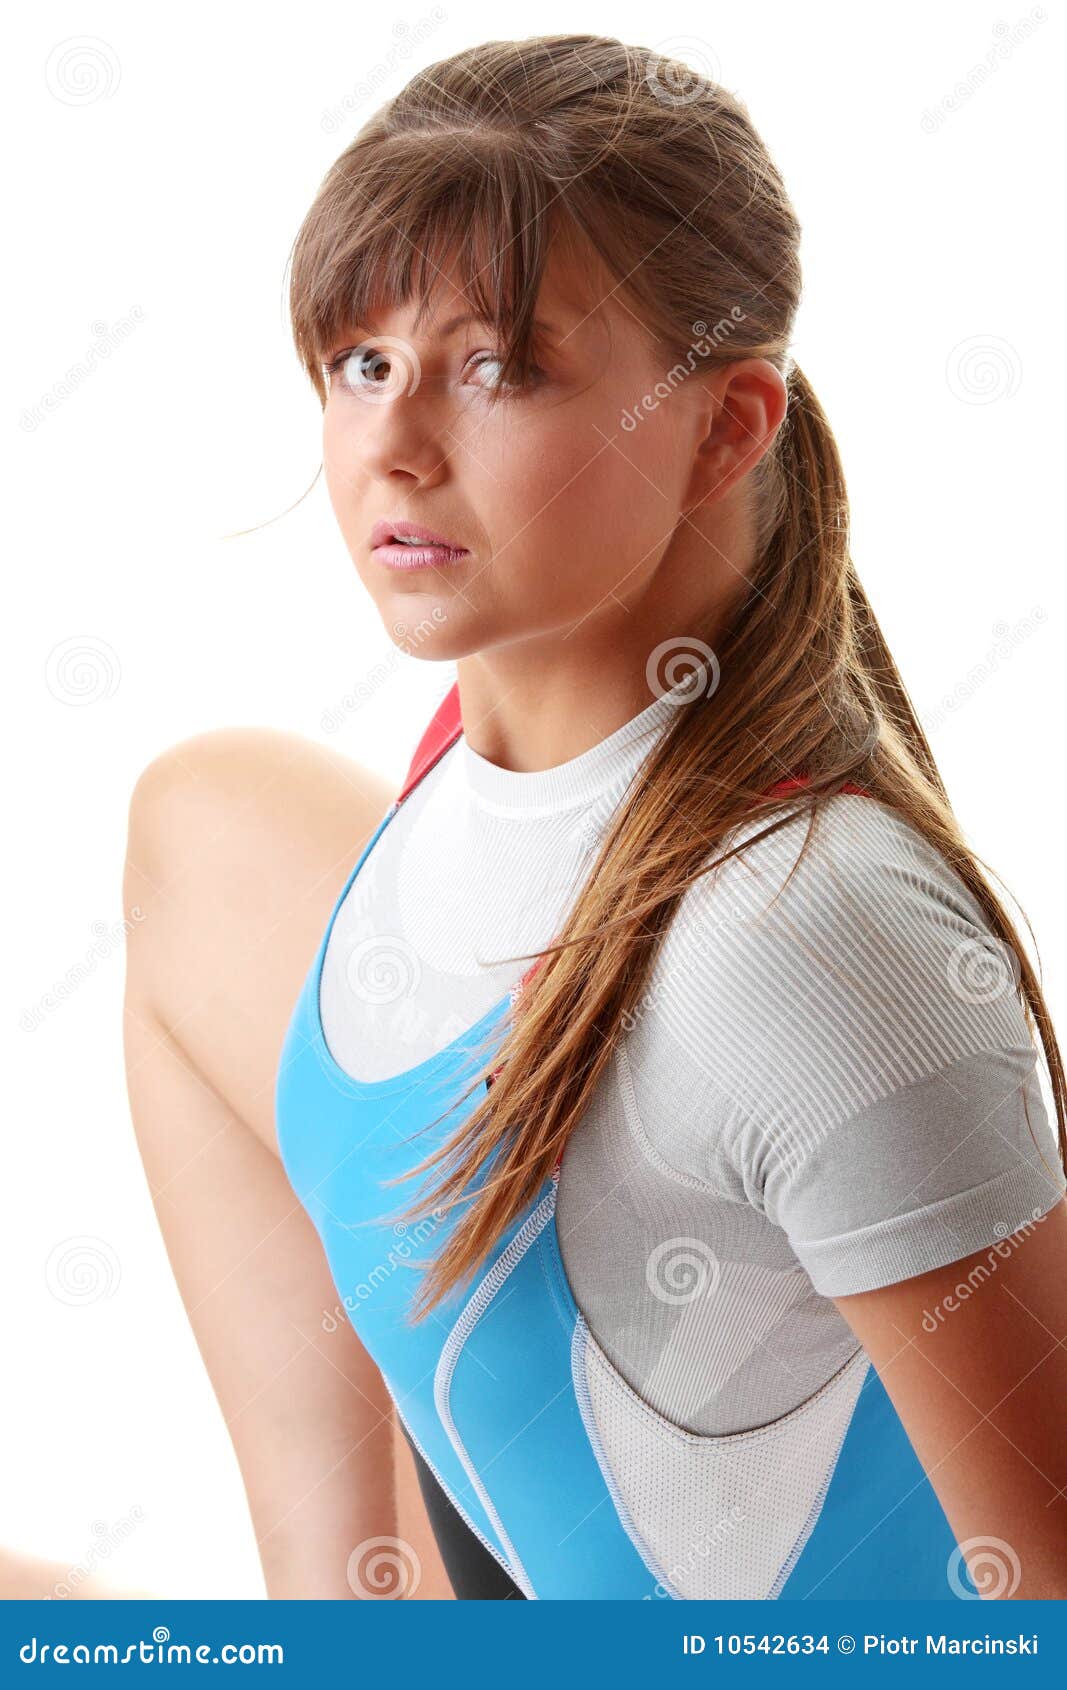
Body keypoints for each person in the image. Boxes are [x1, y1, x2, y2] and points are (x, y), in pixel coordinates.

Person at [123, 33, 1067, 1600]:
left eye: (501, 366)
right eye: (364, 361)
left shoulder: (805, 942)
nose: (395, 443)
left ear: (725, 426)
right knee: (202, 819)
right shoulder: (475, 767)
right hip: (462, 1600)